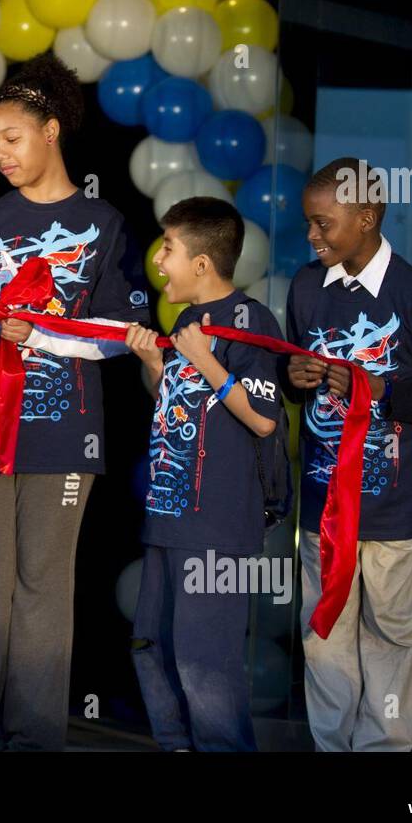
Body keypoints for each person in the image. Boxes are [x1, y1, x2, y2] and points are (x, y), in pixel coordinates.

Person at [0, 52, 150, 750]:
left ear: (51, 130)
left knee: (43, 587)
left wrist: (42, 333)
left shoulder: (105, 220)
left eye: (12, 138)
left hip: (66, 435)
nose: (0, 154)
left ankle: (33, 739)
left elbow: (122, 333)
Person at [285, 156, 412, 751]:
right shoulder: (307, 285)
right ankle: (331, 746)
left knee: (391, 636)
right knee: (326, 634)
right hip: (324, 504)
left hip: (395, 508)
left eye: (323, 224)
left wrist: (376, 387)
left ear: (365, 218)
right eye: (309, 225)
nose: (312, 237)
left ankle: (384, 749)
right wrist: (296, 375)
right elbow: (292, 376)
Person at [123, 198, 283, 752]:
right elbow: (186, 407)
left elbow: (263, 418)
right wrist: (154, 368)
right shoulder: (191, 321)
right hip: (169, 517)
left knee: (204, 659)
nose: (159, 260)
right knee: (152, 645)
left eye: (168, 248)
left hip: (215, 525)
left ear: (202, 263)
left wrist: (206, 360)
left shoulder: (250, 320)